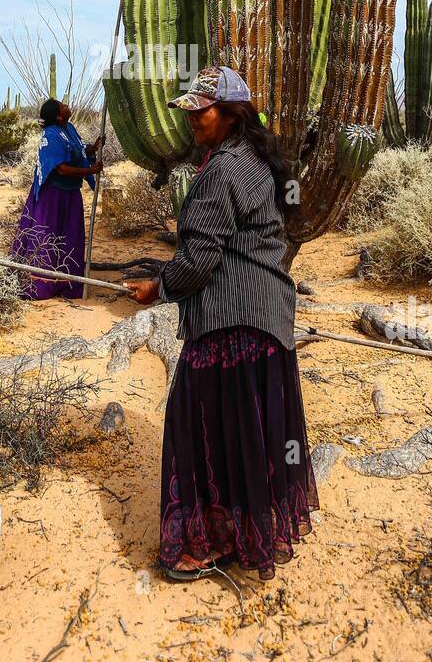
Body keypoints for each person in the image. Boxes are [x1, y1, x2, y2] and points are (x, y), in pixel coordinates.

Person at [125, 65, 318, 581]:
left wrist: (158, 289)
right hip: (267, 321)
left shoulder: (222, 172)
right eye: (188, 108)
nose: (191, 118)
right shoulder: (259, 161)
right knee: (247, 434)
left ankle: (204, 546)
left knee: (199, 432)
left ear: (231, 114)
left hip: (231, 325)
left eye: (201, 109)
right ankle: (241, 535)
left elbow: (198, 261)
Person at [11, 98, 103, 299]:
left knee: (69, 236)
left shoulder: (68, 127)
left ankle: (67, 282)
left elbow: (77, 149)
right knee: (47, 236)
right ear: (59, 115)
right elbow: (61, 169)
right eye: (63, 106)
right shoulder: (51, 135)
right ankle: (42, 284)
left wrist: (93, 149)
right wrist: (90, 170)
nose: (67, 106)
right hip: (51, 196)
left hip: (70, 194)